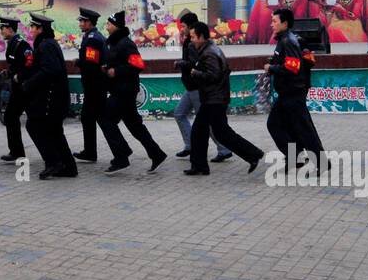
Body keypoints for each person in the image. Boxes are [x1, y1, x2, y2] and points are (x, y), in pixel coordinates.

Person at [182, 22, 264, 176]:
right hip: (212, 98)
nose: (191, 39)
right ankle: (200, 166)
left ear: (201, 37)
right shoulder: (207, 50)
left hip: (215, 100)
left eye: (193, 37)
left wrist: (195, 73)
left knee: (221, 133)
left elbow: (215, 76)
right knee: (200, 131)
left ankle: (253, 154)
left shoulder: (210, 53)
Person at [99, 10, 168, 174]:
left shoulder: (126, 43)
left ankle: (121, 156)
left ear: (116, 26)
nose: (107, 27)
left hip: (124, 92)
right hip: (120, 90)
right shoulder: (114, 43)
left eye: (109, 24)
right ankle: (156, 154)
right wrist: (107, 68)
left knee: (105, 118)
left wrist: (116, 71)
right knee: (135, 126)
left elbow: (138, 65)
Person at [263, 7, 325, 171]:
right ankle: (295, 157)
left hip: (293, 93)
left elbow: (293, 67)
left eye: (275, 21)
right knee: (276, 124)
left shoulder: (288, 41)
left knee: (303, 129)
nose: (272, 24)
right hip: (286, 93)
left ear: (284, 23)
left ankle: (322, 163)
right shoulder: (284, 39)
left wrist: (272, 68)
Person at [18, 13, 76, 179]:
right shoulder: (48, 43)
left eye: (33, 27)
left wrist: (29, 83)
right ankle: (69, 167)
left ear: (40, 29)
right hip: (55, 97)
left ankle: (53, 162)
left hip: (51, 98)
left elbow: (51, 70)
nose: (31, 30)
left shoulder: (45, 46)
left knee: (34, 126)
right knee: (55, 131)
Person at [171, 10, 232, 162]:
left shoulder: (194, 45)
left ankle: (223, 149)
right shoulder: (190, 42)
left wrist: (181, 63)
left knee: (207, 122)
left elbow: (196, 64)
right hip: (191, 87)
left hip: (197, 88)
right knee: (179, 113)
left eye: (184, 26)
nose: (182, 29)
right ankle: (190, 145)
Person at [72, 7, 106, 163]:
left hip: (94, 85)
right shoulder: (92, 36)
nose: (80, 24)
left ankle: (93, 152)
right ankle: (90, 152)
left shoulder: (92, 39)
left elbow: (92, 64)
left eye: (82, 21)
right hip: (94, 85)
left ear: (89, 22)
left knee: (92, 118)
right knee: (89, 118)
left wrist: (79, 62)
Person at [0, 16, 32, 162]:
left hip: (25, 88)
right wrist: (9, 73)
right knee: (11, 117)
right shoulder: (12, 44)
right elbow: (16, 65)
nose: (1, 31)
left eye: (3, 28)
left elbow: (30, 64)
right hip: (18, 89)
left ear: (10, 29)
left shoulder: (21, 45)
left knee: (32, 121)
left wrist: (19, 76)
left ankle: (17, 151)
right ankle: (16, 151)